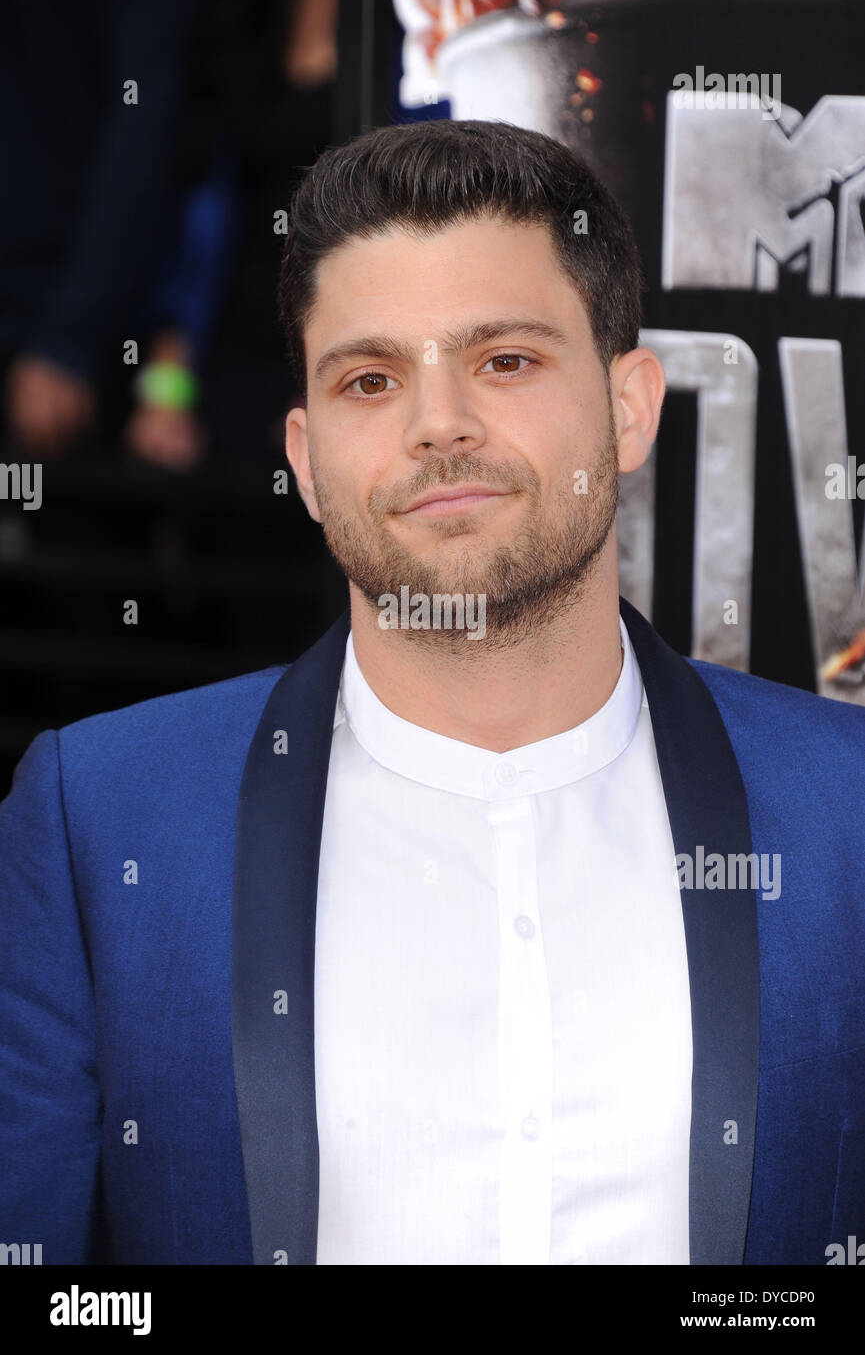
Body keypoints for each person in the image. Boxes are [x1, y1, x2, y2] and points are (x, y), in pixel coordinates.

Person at [2, 119, 864, 1267]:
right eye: (370, 377)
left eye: (504, 359)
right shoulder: (97, 818)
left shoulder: (845, 811)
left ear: (630, 407)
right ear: (306, 461)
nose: (436, 422)